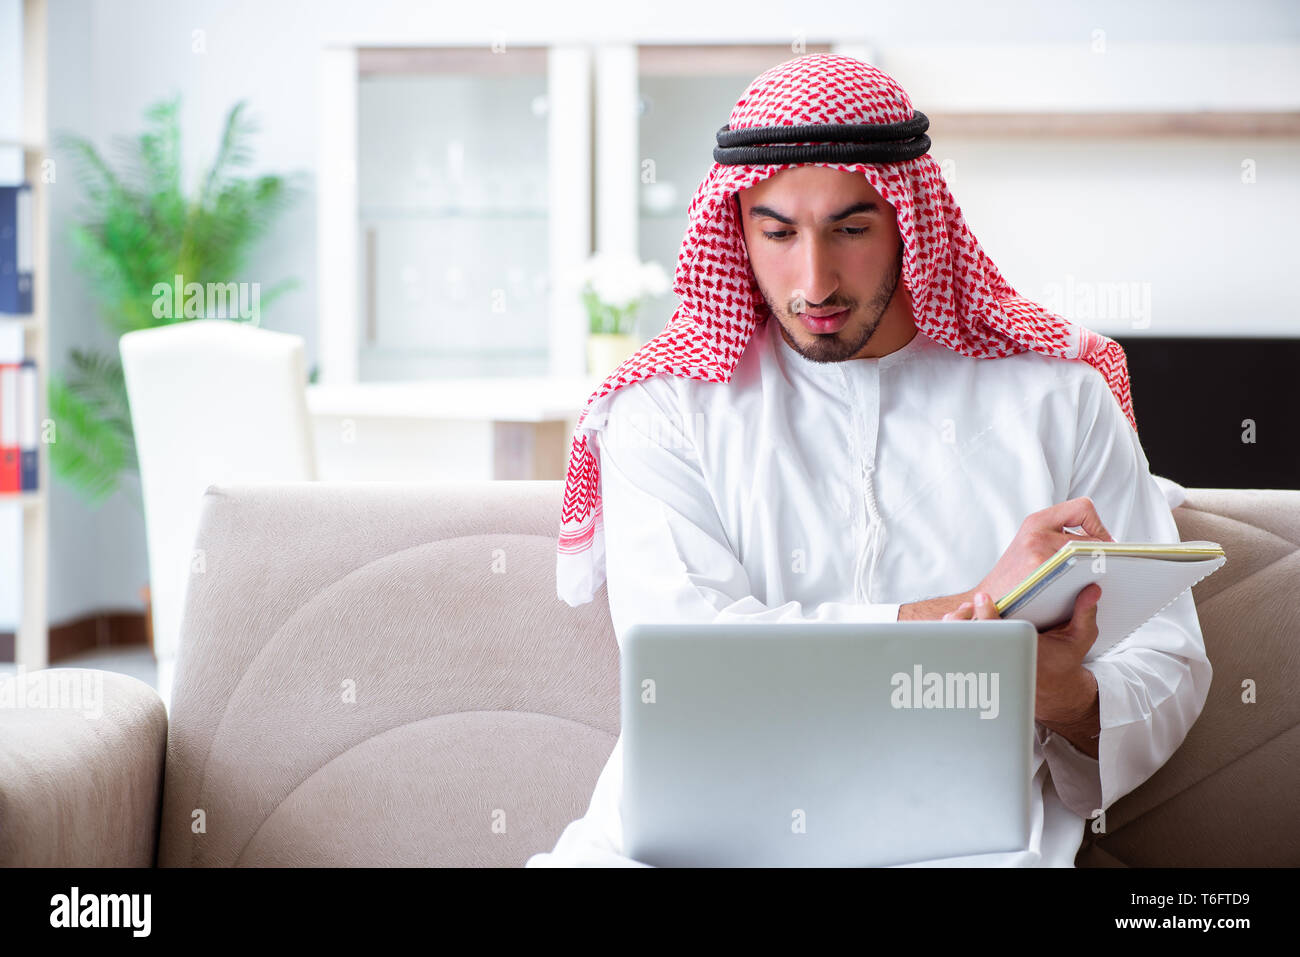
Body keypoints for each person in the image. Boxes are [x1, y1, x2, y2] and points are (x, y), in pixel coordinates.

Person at [529, 53, 1211, 867]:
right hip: (675, 848)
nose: (814, 281)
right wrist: (983, 619)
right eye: (777, 232)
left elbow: (1167, 656)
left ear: (909, 220)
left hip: (960, 850)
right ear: (734, 227)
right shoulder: (664, 408)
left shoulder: (1057, 399)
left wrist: (1068, 696)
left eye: (850, 229)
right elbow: (692, 662)